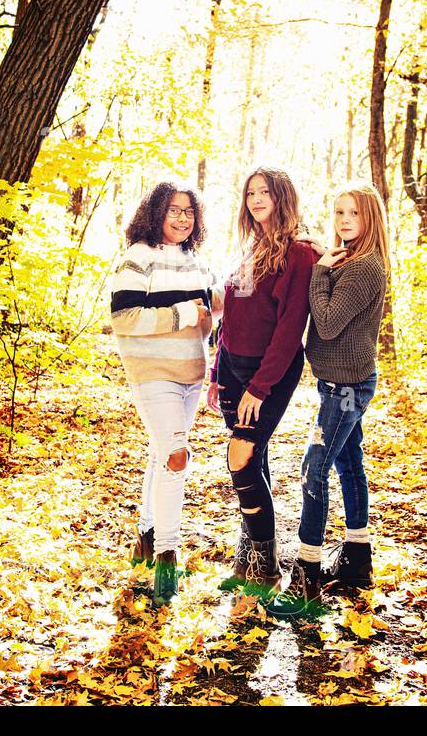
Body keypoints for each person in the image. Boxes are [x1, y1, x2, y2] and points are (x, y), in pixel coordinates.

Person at [267, 182, 389, 619]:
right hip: (340, 383)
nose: (343, 221)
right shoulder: (350, 259)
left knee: (313, 470)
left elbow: (329, 321)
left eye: (353, 214)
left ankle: (307, 575)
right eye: (338, 213)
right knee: (349, 464)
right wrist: (326, 263)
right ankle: (357, 558)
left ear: (370, 218)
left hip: (346, 390)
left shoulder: (364, 268)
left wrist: (319, 271)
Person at [110, 182, 222, 606]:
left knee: (162, 452)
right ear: (156, 212)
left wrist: (210, 314)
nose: (181, 218)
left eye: (189, 212)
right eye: (174, 210)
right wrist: (183, 314)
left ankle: (146, 532)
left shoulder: (197, 261)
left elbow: (214, 309)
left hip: (191, 373)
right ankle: (167, 559)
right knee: (177, 455)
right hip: (151, 371)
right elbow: (124, 317)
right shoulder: (138, 257)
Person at [206, 166, 315, 597]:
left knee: (241, 456)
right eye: (250, 192)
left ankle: (266, 564)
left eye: (264, 191)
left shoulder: (299, 253)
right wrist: (217, 373)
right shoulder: (249, 248)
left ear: (282, 196)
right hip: (232, 368)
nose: (255, 198)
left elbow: (290, 329)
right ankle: (250, 554)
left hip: (268, 373)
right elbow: (230, 320)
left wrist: (259, 387)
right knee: (255, 461)